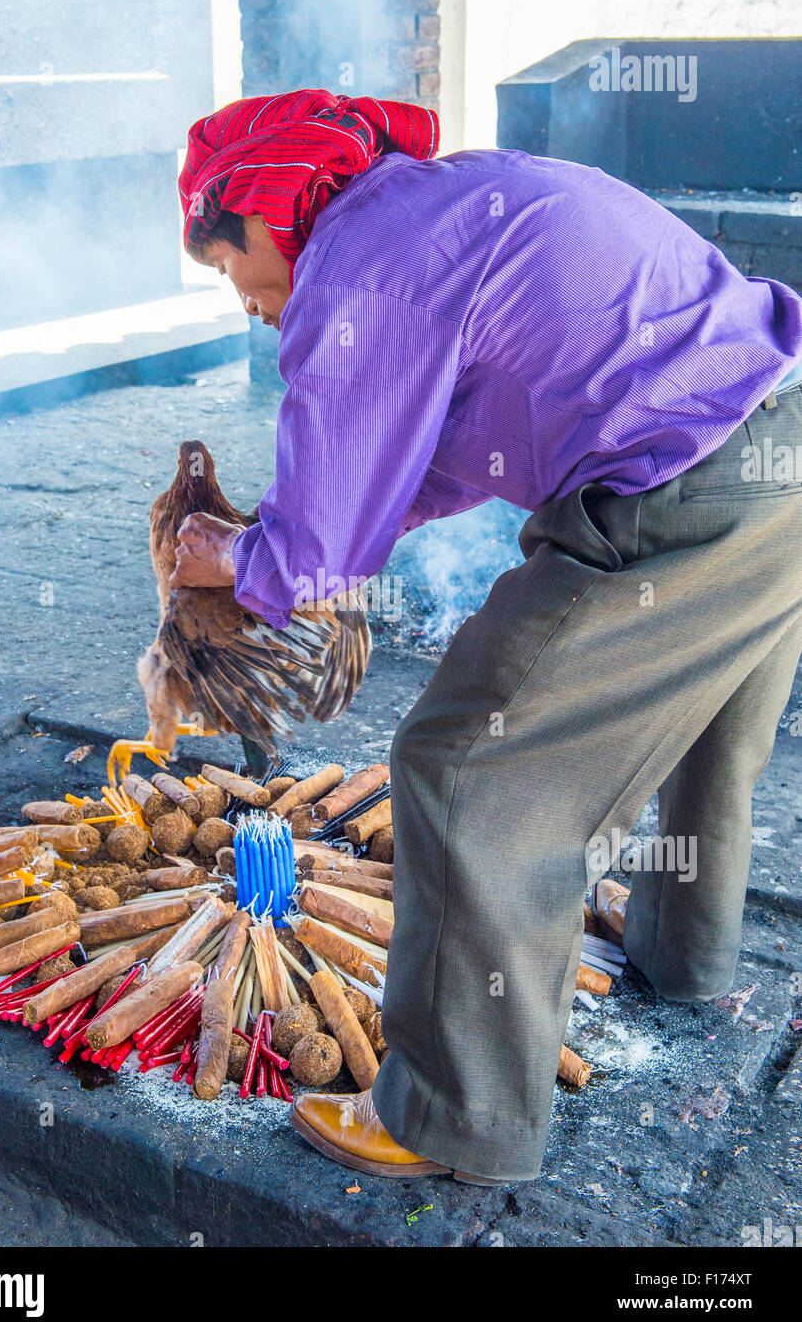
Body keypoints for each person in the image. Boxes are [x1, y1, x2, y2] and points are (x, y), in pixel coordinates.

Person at [171, 88, 802, 1184]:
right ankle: (681, 959)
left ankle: (449, 1119)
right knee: (706, 729)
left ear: (265, 213)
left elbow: (319, 560)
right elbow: (433, 461)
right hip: (781, 437)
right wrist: (283, 537)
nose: (244, 304)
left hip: (677, 486)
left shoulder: (349, 269)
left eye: (228, 268)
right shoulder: (436, 207)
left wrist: (232, 559)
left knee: (461, 764)